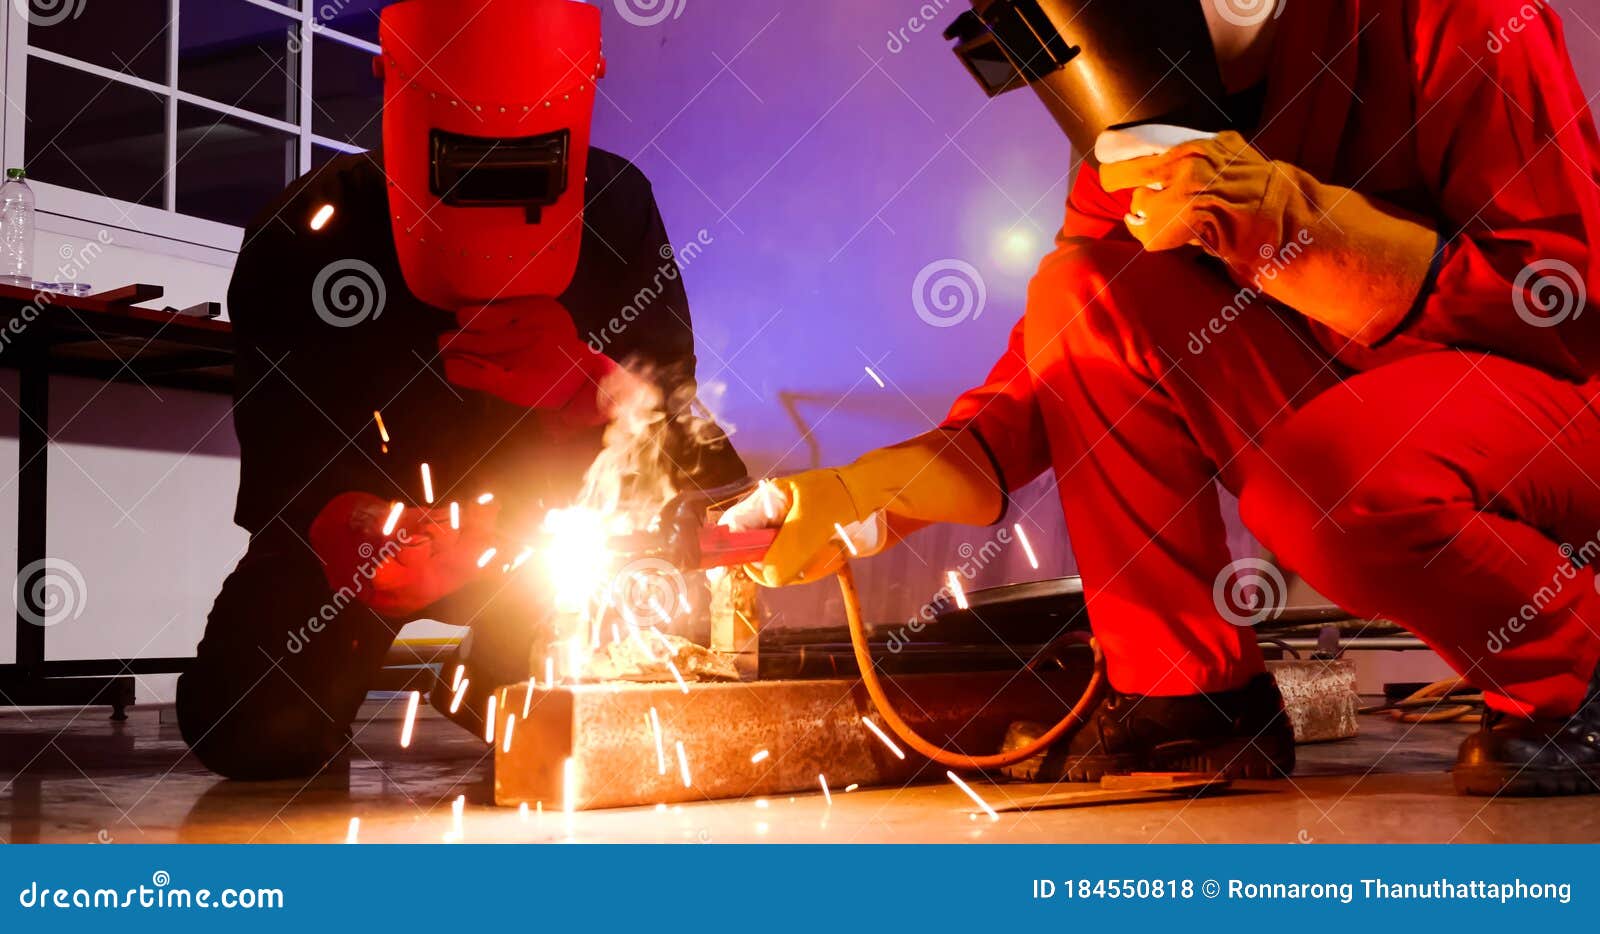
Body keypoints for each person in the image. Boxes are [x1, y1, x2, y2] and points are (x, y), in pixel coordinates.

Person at [744, 0, 1600, 795]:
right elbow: (1056, 364)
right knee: (1085, 290)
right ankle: (1189, 696)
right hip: (1355, 416)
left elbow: (1561, 307)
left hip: (1552, 406)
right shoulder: (1131, 88)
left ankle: (1574, 670)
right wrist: (868, 498)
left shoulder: (1464, 20)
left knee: (1332, 474)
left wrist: (1299, 229)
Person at [178, 0, 743, 780]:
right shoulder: (301, 233)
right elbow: (284, 452)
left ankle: (495, 673)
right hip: (365, 551)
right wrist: (346, 526)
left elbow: (694, 444)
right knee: (252, 727)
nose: (488, 186)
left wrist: (592, 385)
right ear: (397, 91)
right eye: (459, 163)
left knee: (594, 712)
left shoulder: (615, 207)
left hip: (544, 548)